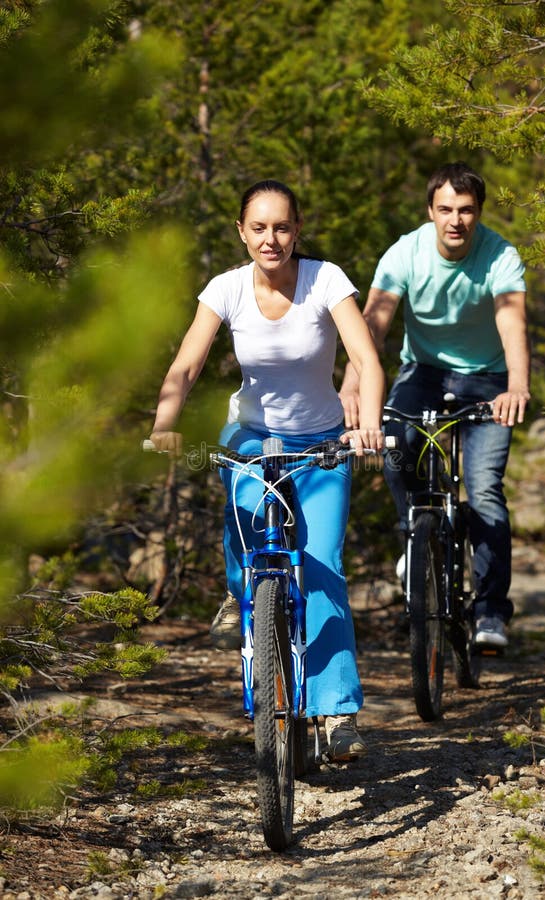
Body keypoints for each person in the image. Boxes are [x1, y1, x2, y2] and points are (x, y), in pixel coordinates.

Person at [149, 179, 385, 760]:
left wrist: (370, 424)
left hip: (321, 444)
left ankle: (336, 712)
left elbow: (366, 358)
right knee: (247, 543)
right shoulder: (225, 288)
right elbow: (187, 364)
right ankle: (242, 596)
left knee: (322, 563)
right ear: (242, 231)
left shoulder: (325, 280)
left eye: (282, 227)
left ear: (297, 230)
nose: (270, 239)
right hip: (251, 438)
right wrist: (164, 424)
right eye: (259, 228)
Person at [339, 162, 530, 649]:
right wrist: (352, 387)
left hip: (489, 379)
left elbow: (512, 321)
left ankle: (490, 612)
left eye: (465, 210)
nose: (455, 220)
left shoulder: (500, 255)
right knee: (394, 443)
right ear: (430, 210)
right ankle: (415, 535)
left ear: (478, 212)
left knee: (484, 492)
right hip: (422, 372)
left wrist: (517, 386)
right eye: (445, 209)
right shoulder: (406, 252)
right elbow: (374, 323)